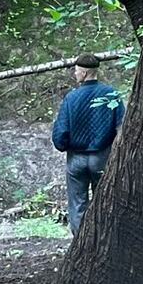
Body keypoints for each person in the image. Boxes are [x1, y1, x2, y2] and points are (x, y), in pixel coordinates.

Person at [51, 55, 124, 237]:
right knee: (105, 201)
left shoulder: (71, 98)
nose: (75, 74)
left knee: (77, 204)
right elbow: (122, 128)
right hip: (102, 158)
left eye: (76, 71)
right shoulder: (111, 95)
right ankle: (104, 238)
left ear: (83, 73)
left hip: (76, 159)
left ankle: (80, 243)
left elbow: (60, 133)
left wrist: (65, 146)